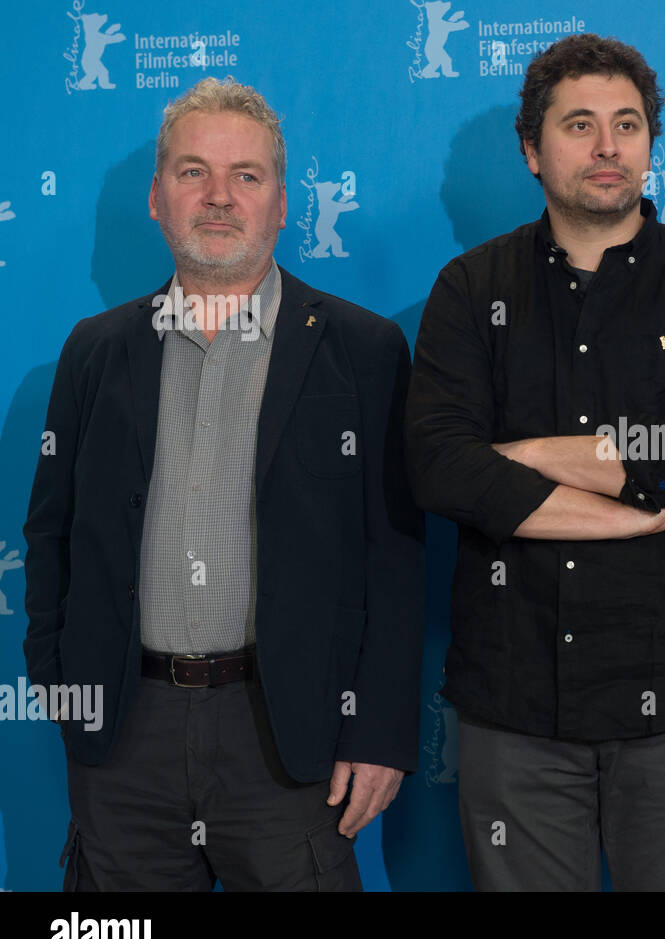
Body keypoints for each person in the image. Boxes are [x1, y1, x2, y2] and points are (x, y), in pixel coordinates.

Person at [23, 77, 425, 891]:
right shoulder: (94, 350)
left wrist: (379, 731)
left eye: (246, 175)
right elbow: (51, 533)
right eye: (191, 172)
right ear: (156, 198)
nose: (218, 196)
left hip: (288, 733)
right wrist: (61, 687)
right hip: (125, 733)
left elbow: (395, 557)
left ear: (281, 203)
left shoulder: (362, 349)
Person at [405, 33, 665, 891]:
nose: (608, 147)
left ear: (649, 143)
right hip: (513, 704)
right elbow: (442, 468)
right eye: (579, 126)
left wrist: (519, 455)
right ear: (531, 149)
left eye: (628, 125)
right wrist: (634, 502)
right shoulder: (468, 289)